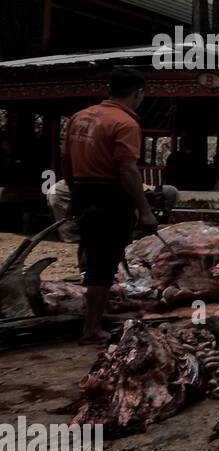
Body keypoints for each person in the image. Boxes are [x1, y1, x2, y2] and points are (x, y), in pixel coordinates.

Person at [61, 69, 156, 343]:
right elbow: (127, 169)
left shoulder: (80, 117)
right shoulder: (125, 123)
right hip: (109, 196)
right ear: (138, 92)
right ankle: (91, 328)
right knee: (103, 264)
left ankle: (90, 314)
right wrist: (145, 210)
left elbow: (65, 160)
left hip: (83, 190)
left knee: (91, 255)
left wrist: (74, 194)